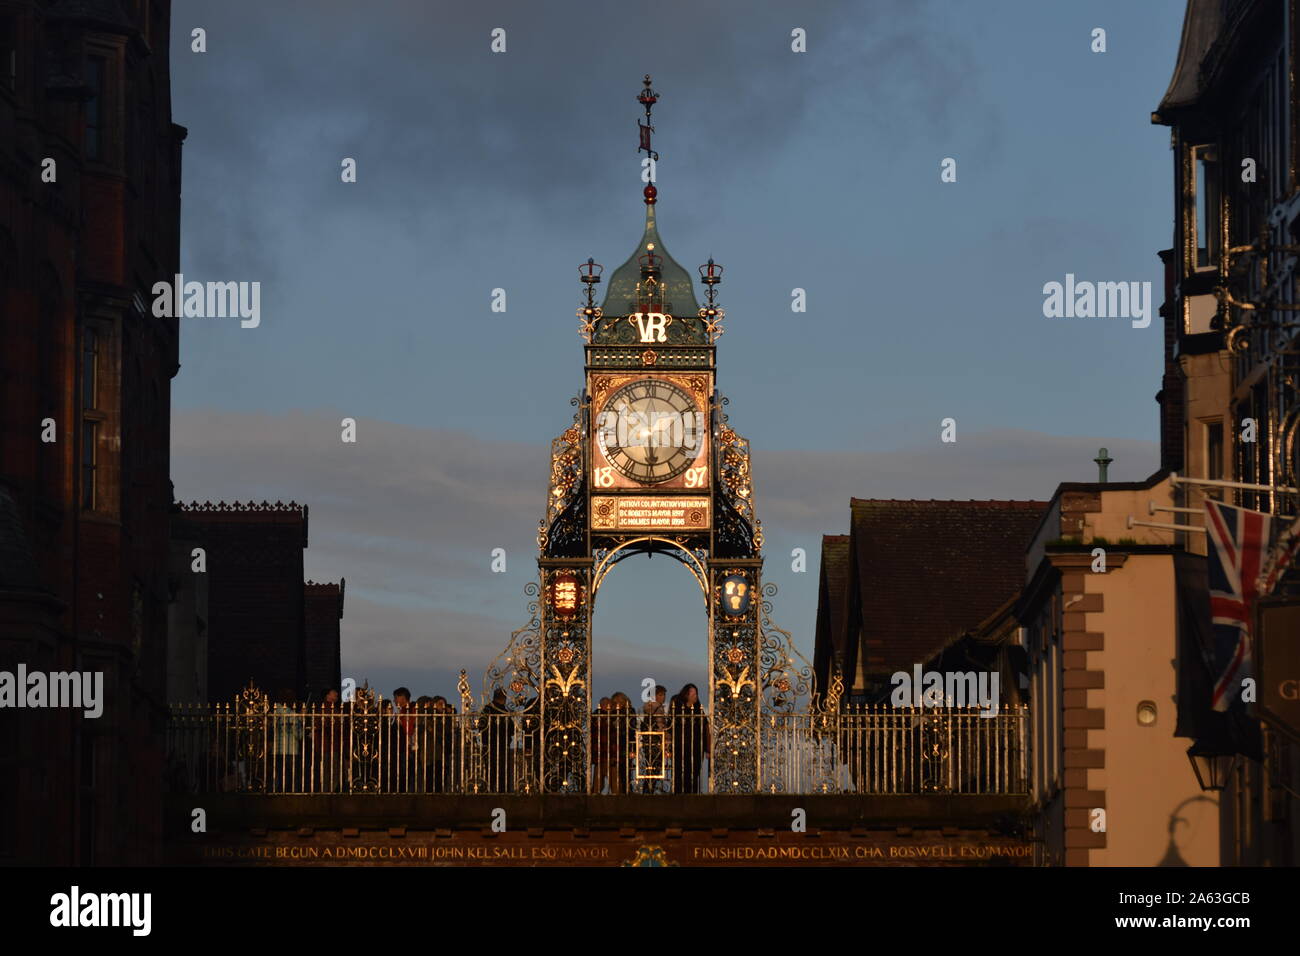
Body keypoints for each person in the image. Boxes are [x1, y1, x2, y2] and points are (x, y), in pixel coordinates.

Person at [670, 683, 710, 794]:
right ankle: (678, 794)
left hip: (696, 746)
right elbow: (671, 727)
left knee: (694, 772)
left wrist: (708, 748)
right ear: (686, 695)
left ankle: (692, 794)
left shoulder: (698, 709)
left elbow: (706, 728)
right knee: (679, 772)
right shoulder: (677, 709)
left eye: (695, 693)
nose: (695, 696)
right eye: (692, 693)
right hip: (680, 746)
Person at [478, 687, 515, 793]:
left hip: (490, 744)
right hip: (500, 745)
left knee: (491, 772)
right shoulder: (503, 711)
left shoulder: (487, 709)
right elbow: (512, 729)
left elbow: (481, 727)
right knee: (501, 772)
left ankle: (489, 791)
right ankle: (502, 791)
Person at [271, 688, 303, 792]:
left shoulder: (275, 712)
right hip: (291, 750)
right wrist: (301, 719)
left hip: (277, 750)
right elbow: (299, 734)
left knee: (279, 778)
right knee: (293, 780)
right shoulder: (291, 714)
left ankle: (276, 798)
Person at [640, 685, 669, 793]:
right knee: (655, 766)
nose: (663, 697)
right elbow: (661, 725)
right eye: (661, 695)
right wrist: (666, 737)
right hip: (656, 740)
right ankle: (648, 789)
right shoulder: (657, 708)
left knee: (650, 766)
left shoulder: (648, 708)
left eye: (664, 695)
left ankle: (648, 789)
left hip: (648, 740)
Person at [607, 693, 636, 795]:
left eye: (619, 701)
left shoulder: (630, 711)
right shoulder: (613, 712)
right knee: (617, 768)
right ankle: (620, 789)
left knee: (626, 767)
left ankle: (627, 788)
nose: (617, 704)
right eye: (615, 702)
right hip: (616, 743)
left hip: (626, 742)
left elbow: (631, 727)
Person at [590, 697, 611, 793]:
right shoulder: (599, 716)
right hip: (602, 749)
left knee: (600, 775)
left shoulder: (596, 716)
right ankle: (596, 791)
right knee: (602, 774)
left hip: (602, 750)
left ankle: (595, 791)